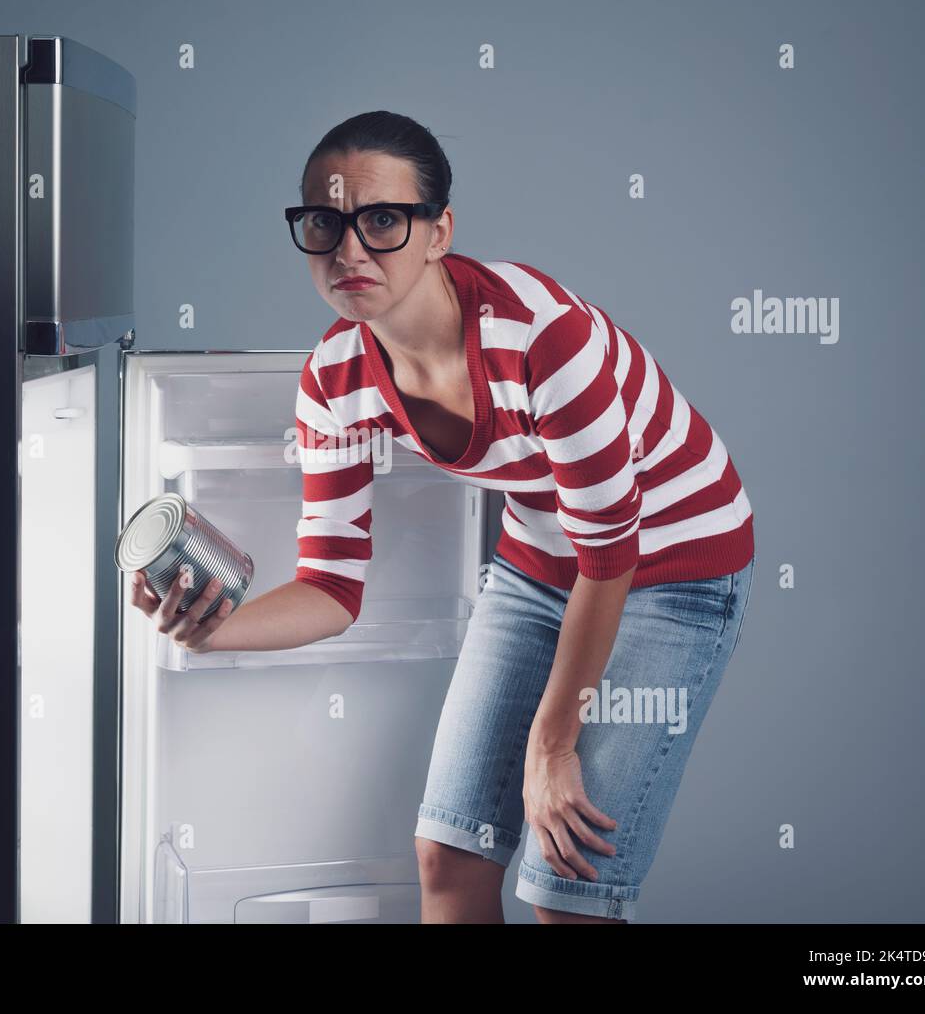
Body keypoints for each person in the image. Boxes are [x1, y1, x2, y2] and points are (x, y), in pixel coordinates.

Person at [130, 110, 755, 924]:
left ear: (438, 232)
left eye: (382, 220)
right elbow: (330, 589)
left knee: (565, 882)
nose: (349, 250)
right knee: (450, 854)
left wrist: (552, 744)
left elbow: (610, 555)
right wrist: (214, 630)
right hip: (541, 563)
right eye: (324, 223)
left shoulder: (543, 338)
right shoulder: (334, 380)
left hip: (673, 565)